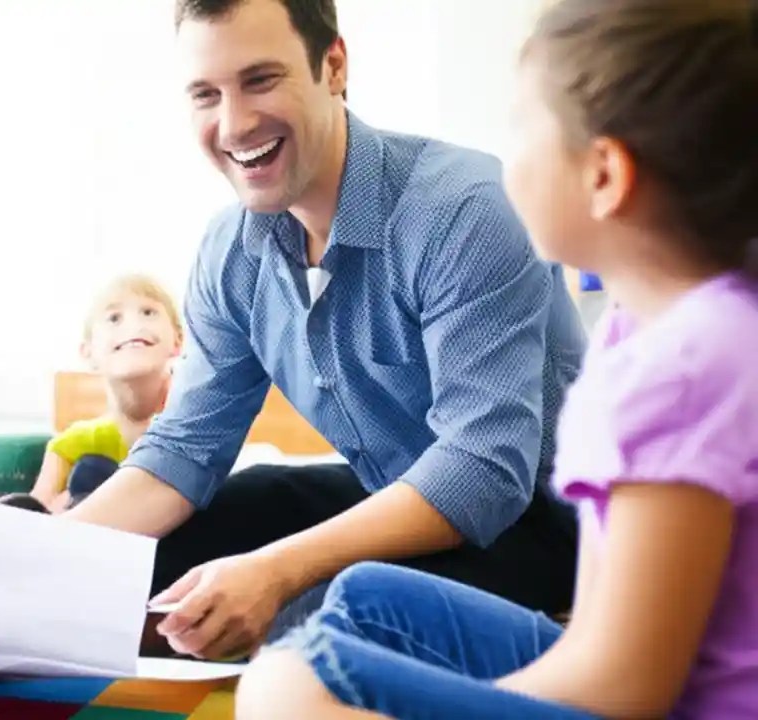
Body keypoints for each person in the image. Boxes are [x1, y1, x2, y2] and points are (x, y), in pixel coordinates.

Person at [237, 1, 758, 717]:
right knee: (364, 598)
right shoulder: (639, 331)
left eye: (524, 131)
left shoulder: (683, 370)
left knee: (288, 688)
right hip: (625, 671)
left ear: (604, 175)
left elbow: (627, 688)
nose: (504, 162)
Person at [66, 0, 588, 660]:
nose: (234, 124)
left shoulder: (464, 210)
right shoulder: (232, 249)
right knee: (181, 537)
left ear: (333, 66)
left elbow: (481, 472)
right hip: (394, 492)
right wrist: (52, 554)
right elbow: (186, 448)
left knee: (314, 616)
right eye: (206, 94)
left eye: (261, 80)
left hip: (533, 524)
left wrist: (278, 572)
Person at [28, 274, 182, 513]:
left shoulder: (194, 437)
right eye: (114, 318)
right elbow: (31, 514)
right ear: (87, 352)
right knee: (90, 471)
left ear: (178, 341)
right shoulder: (71, 445)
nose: (134, 325)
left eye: (149, 313)